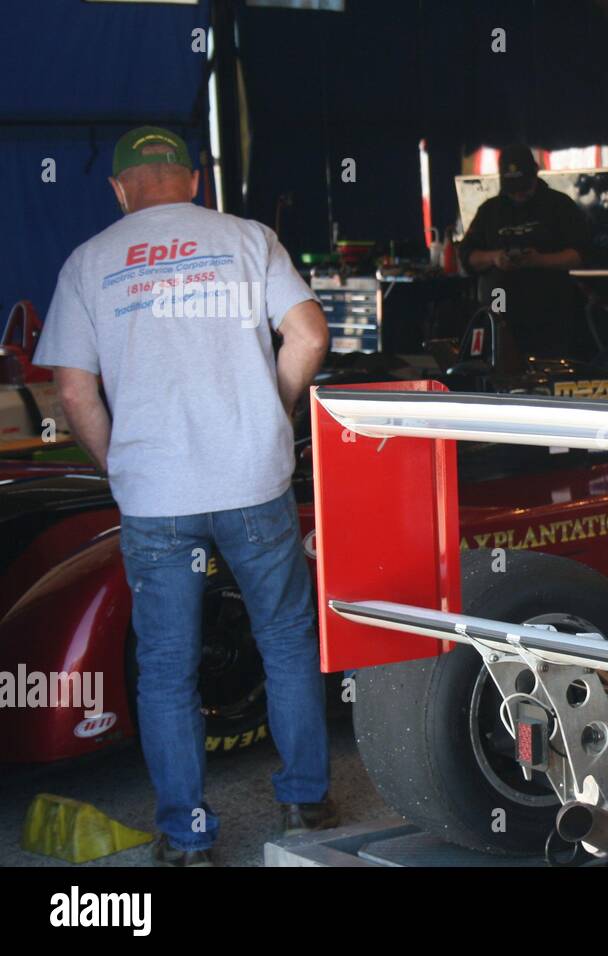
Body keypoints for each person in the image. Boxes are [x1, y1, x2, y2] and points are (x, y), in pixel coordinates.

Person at [34, 126, 336, 866]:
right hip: (253, 482)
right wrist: (276, 411)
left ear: (119, 189)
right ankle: (305, 803)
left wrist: (120, 465)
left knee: (168, 667)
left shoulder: (89, 262)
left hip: (155, 494)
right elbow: (309, 336)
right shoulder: (247, 237)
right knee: (287, 640)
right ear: (194, 180)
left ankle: (188, 837)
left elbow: (71, 387)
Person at [458, 143, 591, 357]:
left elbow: (581, 254)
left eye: (523, 187)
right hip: (501, 315)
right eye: (513, 189)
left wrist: (540, 260)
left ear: (535, 172)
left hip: (551, 316)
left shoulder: (559, 205)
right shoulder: (490, 210)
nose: (519, 194)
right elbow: (467, 256)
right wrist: (494, 258)